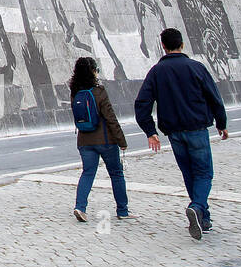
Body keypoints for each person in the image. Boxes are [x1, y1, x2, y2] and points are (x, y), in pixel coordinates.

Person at [134, 27, 229, 240]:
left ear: (164, 47)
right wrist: (221, 124)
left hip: (174, 133)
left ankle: (203, 218)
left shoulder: (156, 72)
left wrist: (151, 131)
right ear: (182, 44)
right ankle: (197, 207)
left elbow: (141, 104)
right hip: (197, 129)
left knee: (189, 175)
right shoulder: (197, 67)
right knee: (204, 174)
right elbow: (215, 98)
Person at [68, 57, 136, 222]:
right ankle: (122, 210)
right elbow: (110, 118)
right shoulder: (99, 91)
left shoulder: (75, 92)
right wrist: (122, 141)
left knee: (88, 172)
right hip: (105, 140)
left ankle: (80, 207)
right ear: (92, 71)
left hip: (84, 141)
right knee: (116, 174)